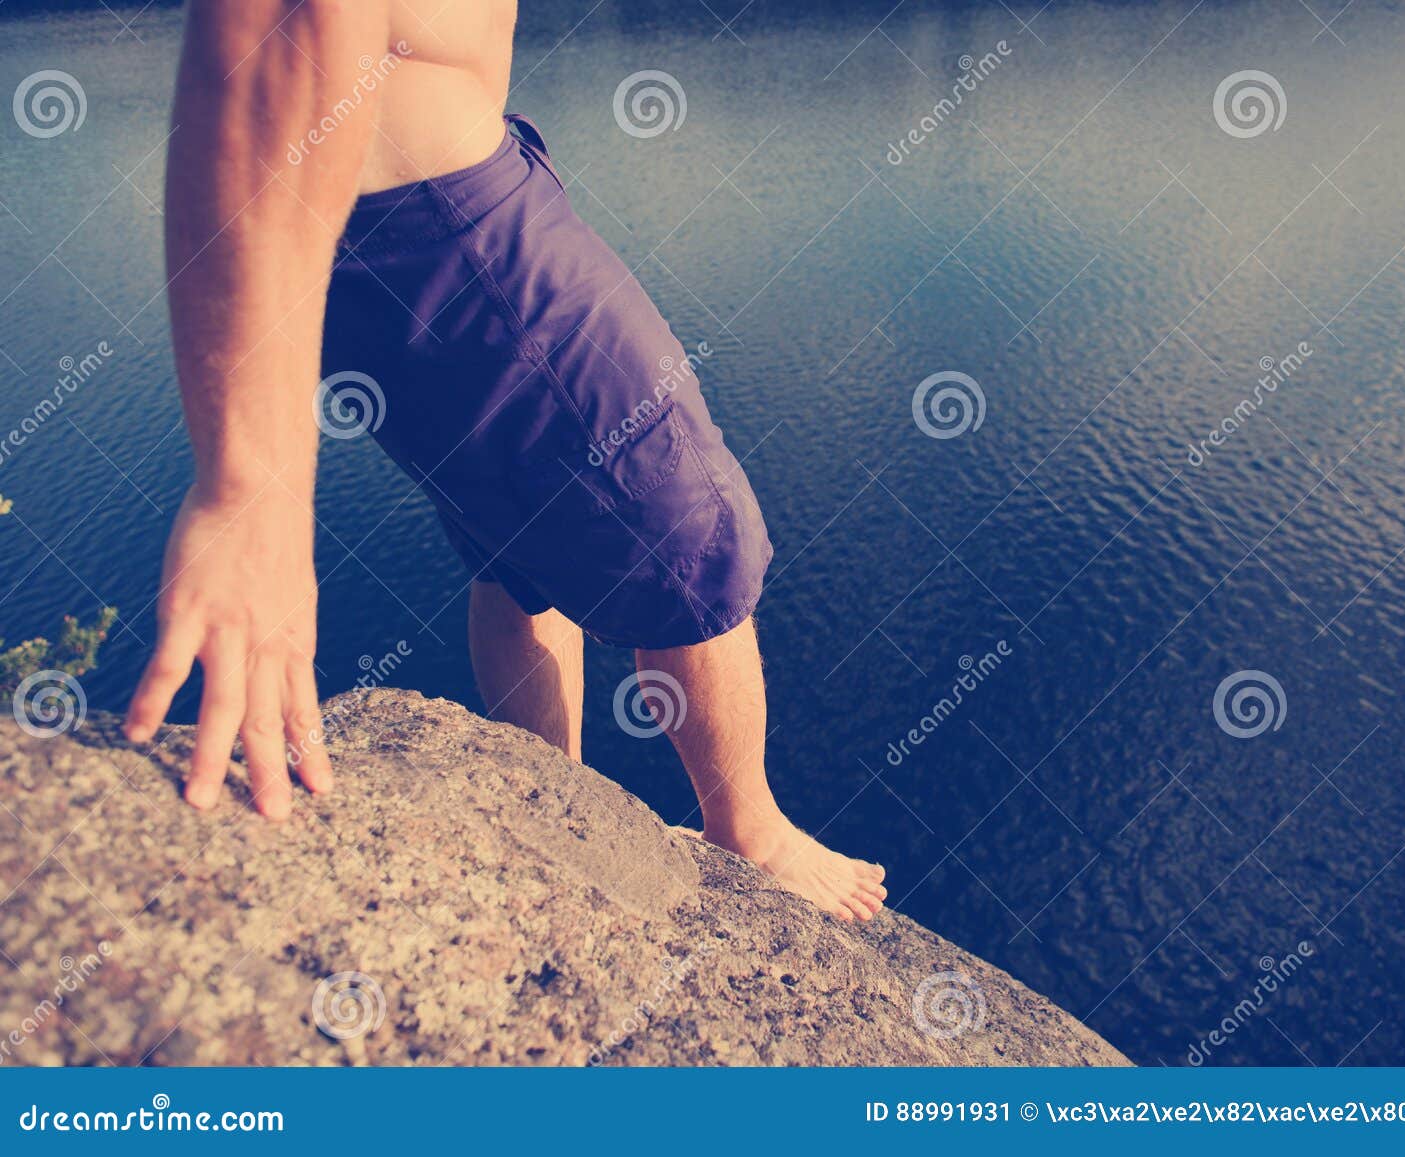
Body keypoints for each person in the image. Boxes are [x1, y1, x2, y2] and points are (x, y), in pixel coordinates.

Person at [121, 0, 886, 923]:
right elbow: (261, 39)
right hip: (454, 229)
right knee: (689, 520)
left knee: (517, 544)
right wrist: (248, 488)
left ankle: (550, 802)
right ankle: (748, 831)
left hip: (408, 228)